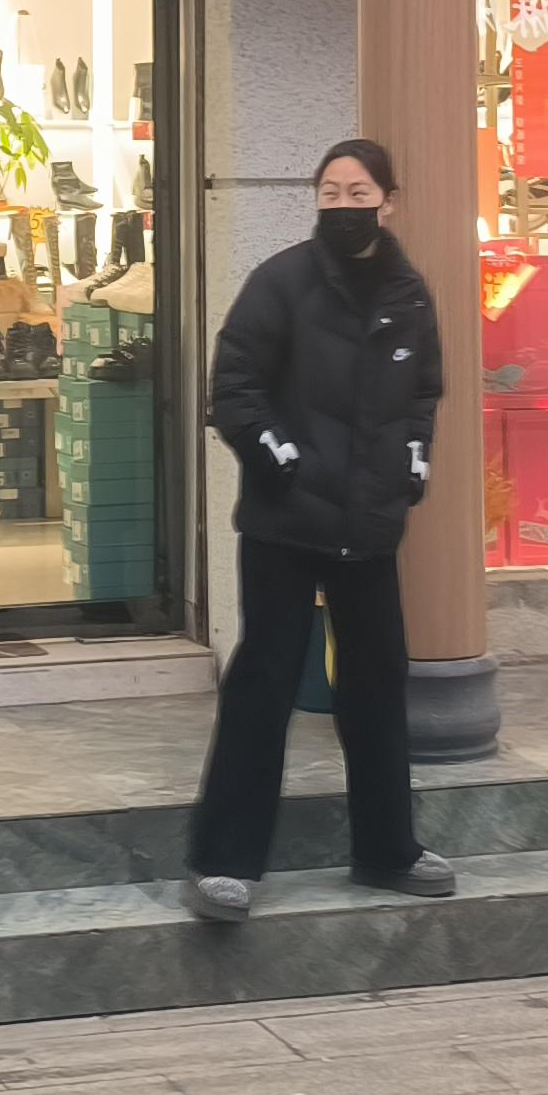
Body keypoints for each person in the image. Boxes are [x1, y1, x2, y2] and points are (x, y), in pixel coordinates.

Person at [183, 137, 457, 924]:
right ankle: (224, 862)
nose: (344, 206)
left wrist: (412, 462)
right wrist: (279, 458)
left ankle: (387, 851)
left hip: (368, 524)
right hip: (286, 521)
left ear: (388, 201)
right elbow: (234, 386)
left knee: (376, 685)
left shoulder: (408, 293)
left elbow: (422, 394)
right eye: (331, 193)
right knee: (263, 683)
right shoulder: (282, 282)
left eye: (358, 193)